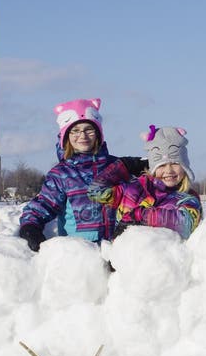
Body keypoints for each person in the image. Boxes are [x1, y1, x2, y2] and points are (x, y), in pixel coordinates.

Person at [19, 98, 146, 251]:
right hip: (80, 253)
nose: (83, 135)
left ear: (98, 133)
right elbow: (42, 205)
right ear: (66, 136)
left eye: (89, 129)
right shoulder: (61, 174)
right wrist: (30, 227)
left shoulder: (116, 166)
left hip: (117, 250)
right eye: (75, 131)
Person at [87, 125, 202, 241]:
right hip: (123, 256)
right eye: (161, 165)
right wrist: (124, 165)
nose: (169, 170)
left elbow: (186, 224)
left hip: (162, 257)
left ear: (185, 167)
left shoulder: (188, 199)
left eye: (175, 163)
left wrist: (140, 215)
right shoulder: (131, 190)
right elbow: (95, 192)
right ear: (152, 167)